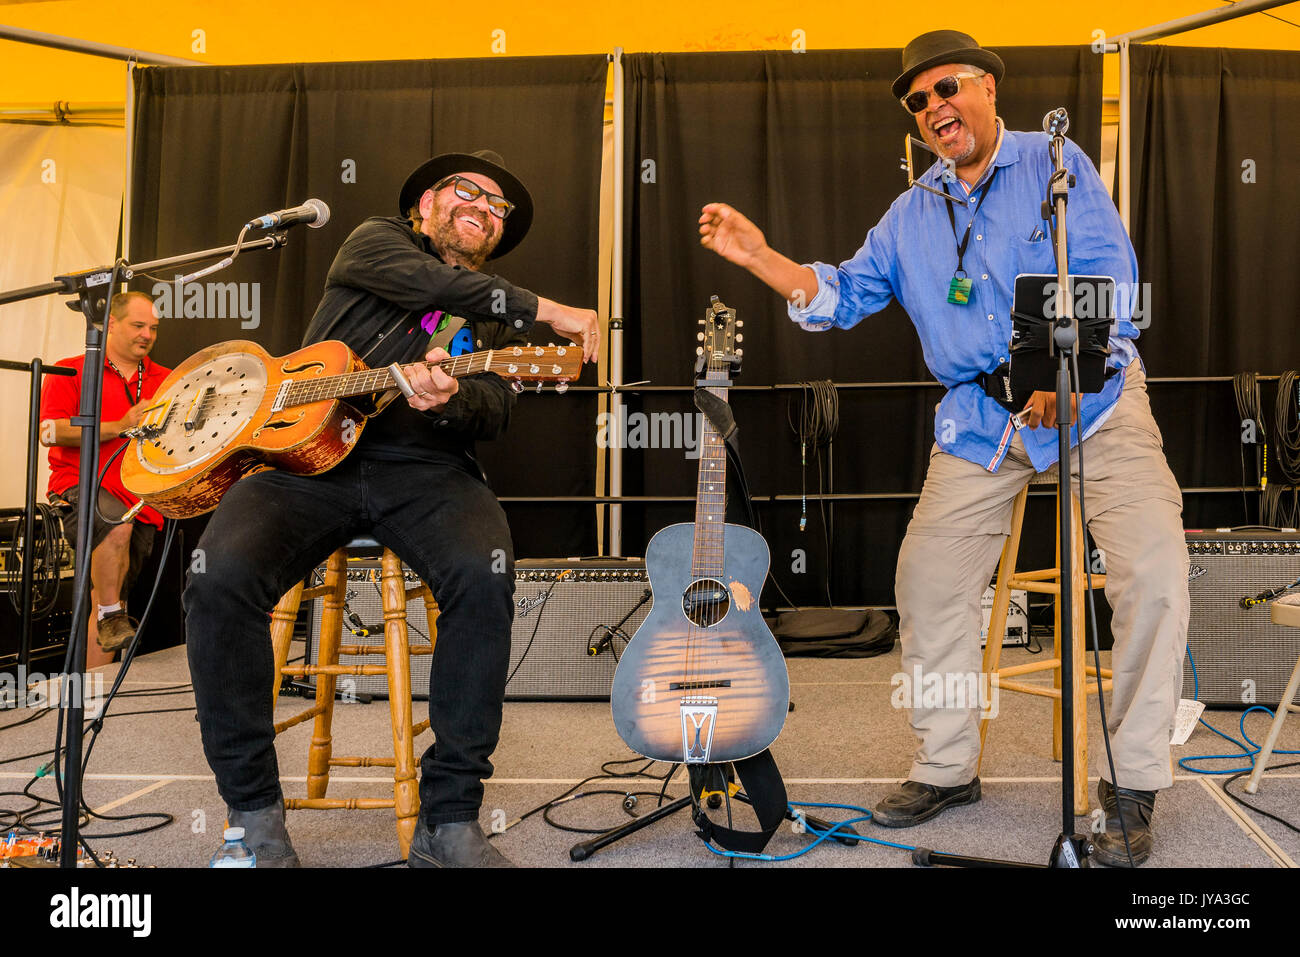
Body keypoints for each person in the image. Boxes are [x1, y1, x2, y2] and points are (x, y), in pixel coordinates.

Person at [698, 31, 1188, 867]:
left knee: (1155, 570)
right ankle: (949, 763)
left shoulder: (1056, 165)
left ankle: (1133, 779)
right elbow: (844, 295)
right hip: (980, 419)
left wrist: (1066, 375)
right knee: (926, 577)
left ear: (989, 88)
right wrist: (763, 258)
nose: (933, 109)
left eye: (945, 88)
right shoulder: (909, 213)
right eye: (918, 103)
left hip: (1095, 401)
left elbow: (1108, 274)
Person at [183, 149, 598, 868]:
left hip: (428, 470)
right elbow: (426, 281)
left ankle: (451, 818)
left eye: (497, 208)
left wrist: (450, 397)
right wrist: (548, 308)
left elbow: (497, 406)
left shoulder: (491, 316)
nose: (483, 207)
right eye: (467, 191)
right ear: (426, 205)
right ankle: (252, 818)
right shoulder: (376, 242)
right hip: (306, 462)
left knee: (484, 572)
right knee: (216, 575)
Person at [39, 291, 171, 659]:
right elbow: (48, 431)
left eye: (154, 328)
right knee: (115, 527)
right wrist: (119, 426)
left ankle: (89, 695)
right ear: (111, 324)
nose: (147, 334)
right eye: (139, 325)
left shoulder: (167, 379)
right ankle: (113, 616)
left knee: (107, 600)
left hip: (142, 499)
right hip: (78, 487)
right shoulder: (71, 370)